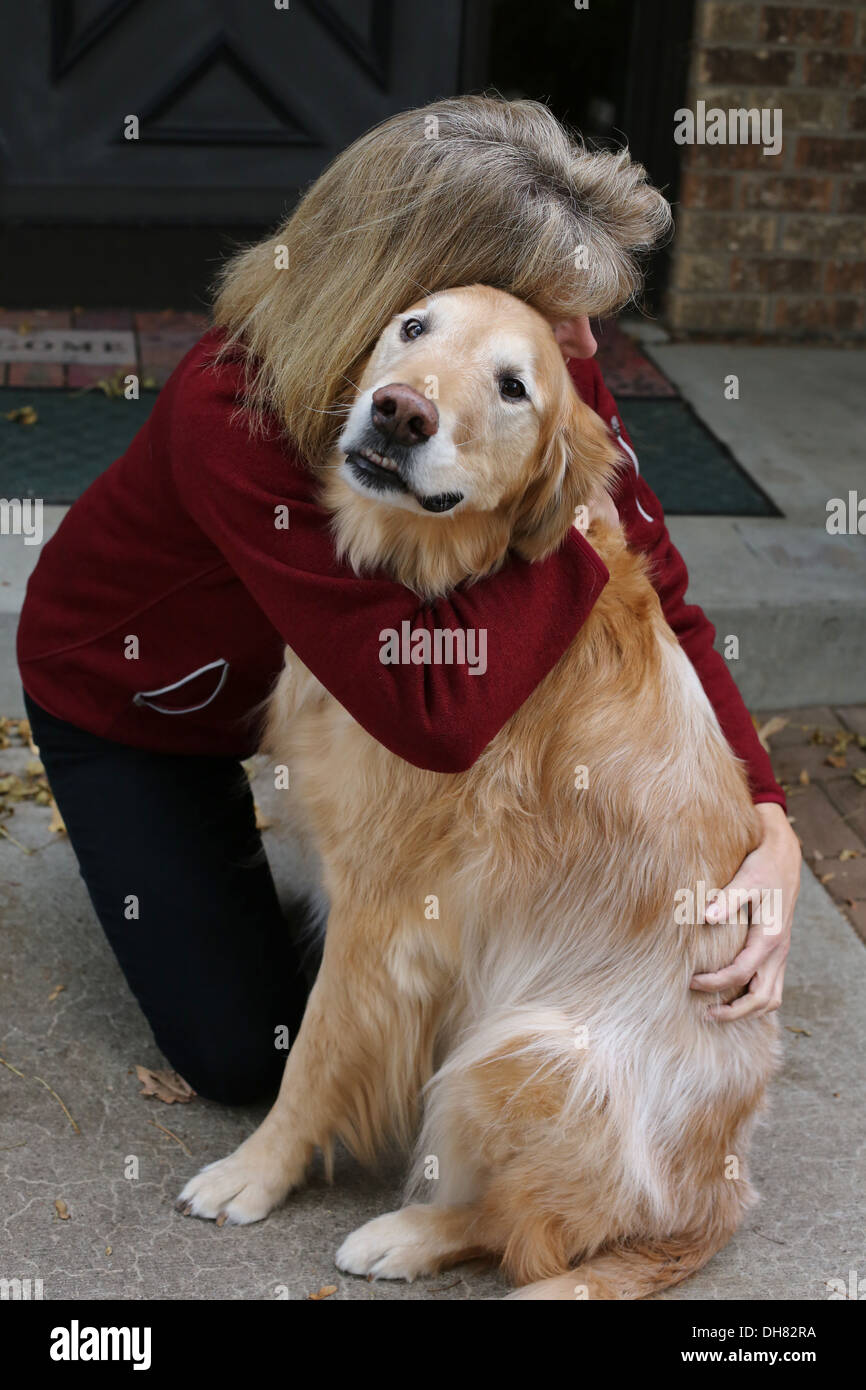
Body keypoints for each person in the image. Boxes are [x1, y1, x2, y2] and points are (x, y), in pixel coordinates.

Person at [17, 96, 800, 1104]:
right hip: (148, 704)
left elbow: (662, 598)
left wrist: (769, 820)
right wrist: (569, 506)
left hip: (347, 689)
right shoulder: (230, 406)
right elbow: (434, 712)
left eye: (576, 315)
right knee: (242, 1052)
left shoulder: (539, 368)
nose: (579, 344)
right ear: (402, 281)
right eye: (556, 305)